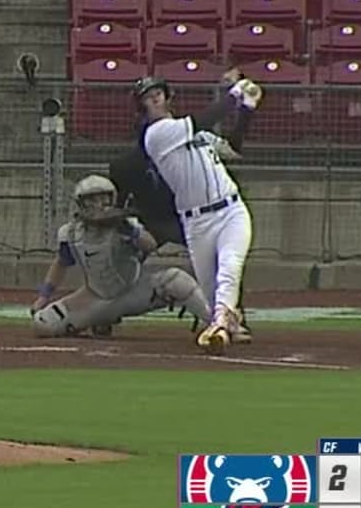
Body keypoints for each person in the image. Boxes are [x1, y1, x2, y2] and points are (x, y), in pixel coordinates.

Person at [109, 68, 255, 341]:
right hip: (196, 221)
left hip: (230, 210)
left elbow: (233, 148)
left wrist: (247, 110)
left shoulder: (191, 132)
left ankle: (223, 325)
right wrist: (235, 94)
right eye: (148, 98)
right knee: (210, 288)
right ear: (141, 107)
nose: (155, 100)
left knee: (230, 265)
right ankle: (227, 324)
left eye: (158, 95)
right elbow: (204, 119)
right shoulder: (157, 135)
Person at [30, 174, 212, 338]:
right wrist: (43, 297)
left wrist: (132, 232)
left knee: (176, 280)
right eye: (92, 199)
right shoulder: (69, 233)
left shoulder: (126, 225)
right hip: (95, 297)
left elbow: (150, 245)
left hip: (134, 292)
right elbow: (61, 263)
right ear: (81, 203)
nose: (100, 204)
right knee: (43, 324)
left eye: (104, 198)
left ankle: (218, 323)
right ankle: (97, 320)